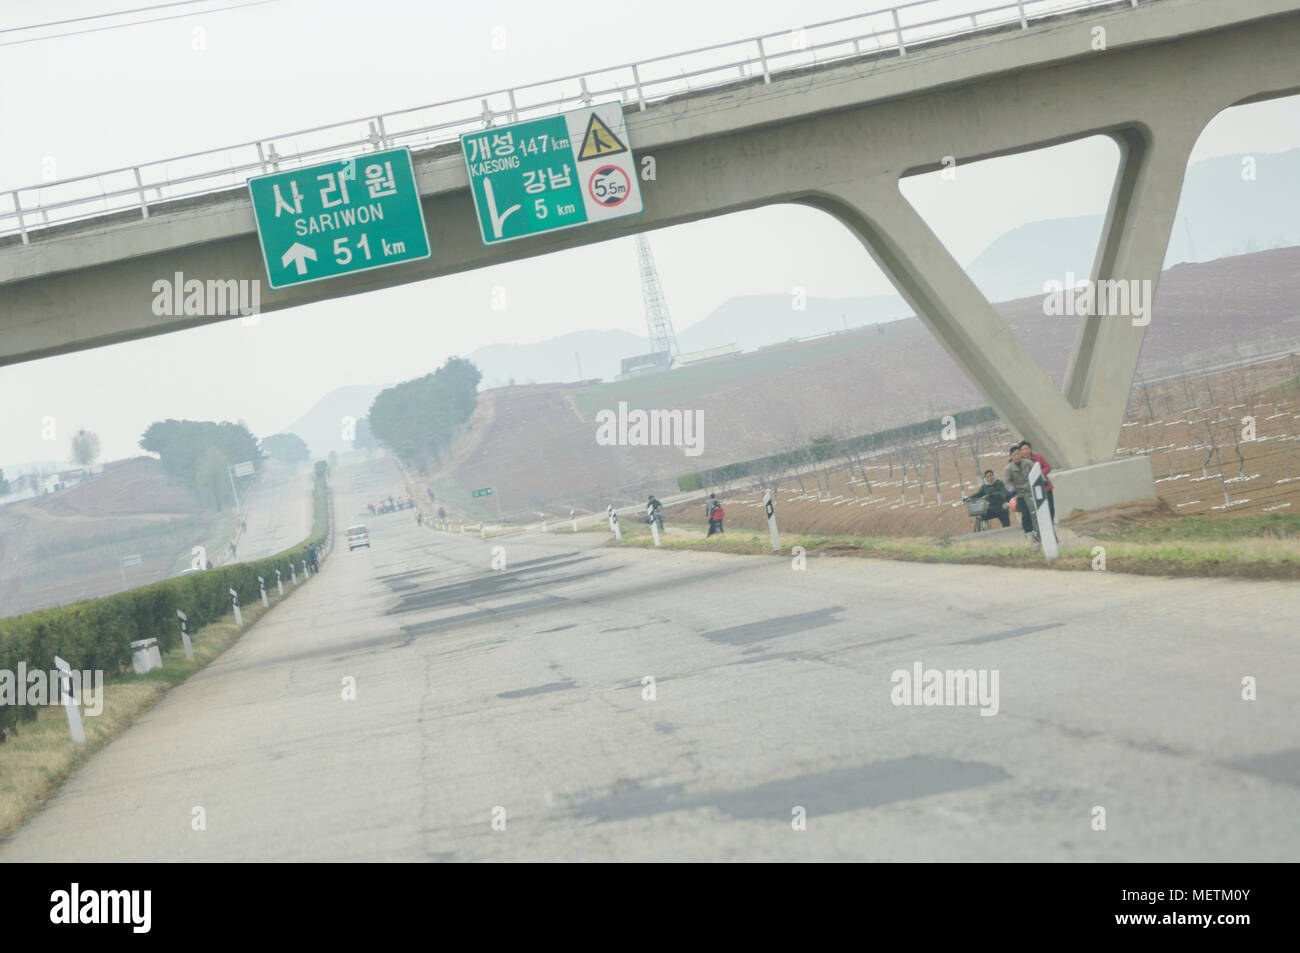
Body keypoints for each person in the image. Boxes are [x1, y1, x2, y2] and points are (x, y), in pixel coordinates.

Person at [1003, 444, 1038, 543]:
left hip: (1031, 492)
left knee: (1036, 512)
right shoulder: (1008, 469)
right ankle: (1029, 534)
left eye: (1018, 454)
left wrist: (1042, 481)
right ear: (1011, 456)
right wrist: (1012, 489)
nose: (1017, 456)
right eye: (1014, 455)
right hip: (1020, 494)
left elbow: (1036, 473)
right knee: (1026, 514)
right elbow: (1006, 482)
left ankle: (1038, 531)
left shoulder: (1028, 463)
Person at [1019, 440, 1056, 523]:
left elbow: (1047, 467)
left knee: (1050, 508)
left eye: (1027, 448)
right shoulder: (1020, 463)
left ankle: (1051, 524)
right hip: (1030, 490)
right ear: (1020, 452)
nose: (1025, 451)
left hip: (1045, 487)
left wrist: (1038, 474)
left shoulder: (1038, 457)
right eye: (1023, 449)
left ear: (1030, 449)